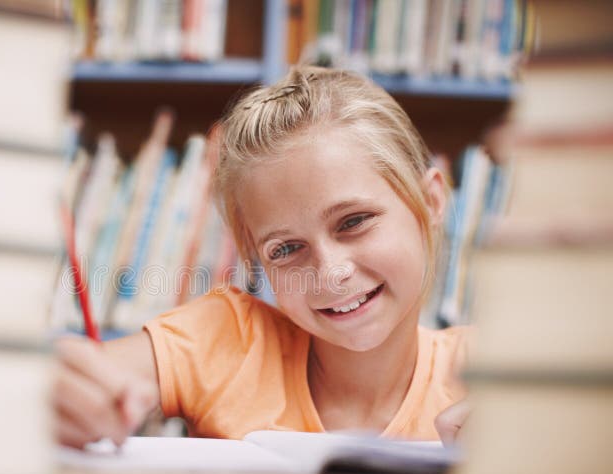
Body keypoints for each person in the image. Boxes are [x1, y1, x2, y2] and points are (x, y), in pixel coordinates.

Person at [52, 66, 471, 449]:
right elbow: (65, 389)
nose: (329, 274)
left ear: (431, 202)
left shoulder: (488, 375)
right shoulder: (228, 340)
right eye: (286, 249)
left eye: (353, 221)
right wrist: (62, 392)